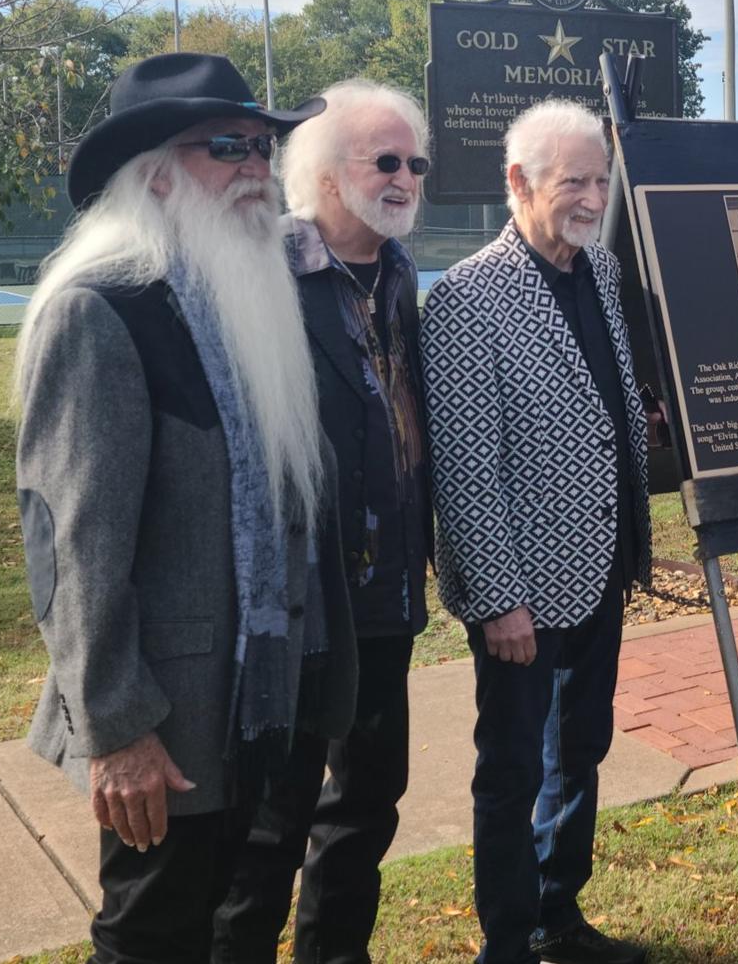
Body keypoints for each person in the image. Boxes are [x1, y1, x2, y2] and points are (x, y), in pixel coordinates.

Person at [11, 52, 356, 960]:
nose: (257, 167)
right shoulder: (102, 312)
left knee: (238, 925)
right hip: (169, 719)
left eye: (262, 147)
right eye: (227, 148)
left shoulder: (249, 298)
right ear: (156, 174)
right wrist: (118, 730)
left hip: (265, 696)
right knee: (153, 937)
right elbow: (72, 550)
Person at [422, 99, 652, 964]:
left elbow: (602, 400)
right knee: (513, 767)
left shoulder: (601, 270)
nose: (593, 198)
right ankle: (508, 941)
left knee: (580, 749)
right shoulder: (466, 298)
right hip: (523, 590)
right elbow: (465, 468)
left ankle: (559, 915)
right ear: (518, 181)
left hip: (602, 566)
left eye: (601, 180)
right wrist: (497, 600)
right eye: (573, 182)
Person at [213, 78, 432, 961]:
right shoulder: (262, 271)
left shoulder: (400, 275)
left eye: (416, 163)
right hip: (298, 607)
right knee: (272, 823)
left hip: (385, 599)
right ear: (328, 175)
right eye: (386, 161)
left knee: (367, 804)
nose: (406, 177)